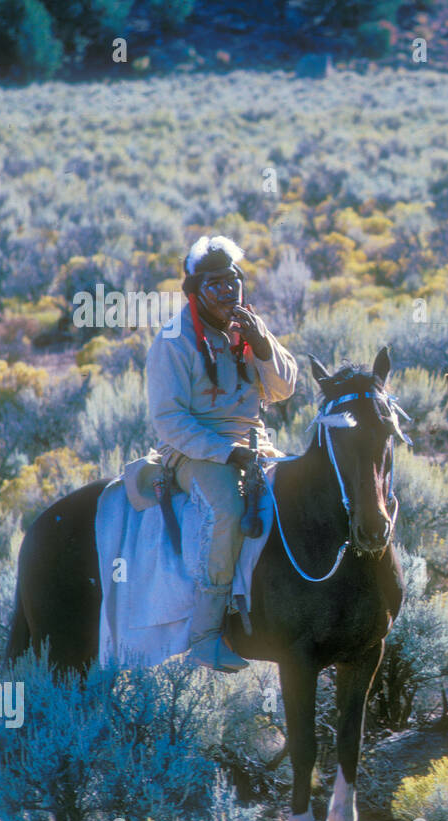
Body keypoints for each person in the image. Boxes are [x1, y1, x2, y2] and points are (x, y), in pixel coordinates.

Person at [146, 235, 299, 671]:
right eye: (215, 285)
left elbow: (284, 389)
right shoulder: (173, 342)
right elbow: (170, 422)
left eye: (233, 283)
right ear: (195, 291)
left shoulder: (249, 327)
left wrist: (264, 347)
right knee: (228, 509)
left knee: (295, 496)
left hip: (254, 443)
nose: (227, 294)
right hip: (192, 450)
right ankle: (206, 637)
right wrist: (224, 451)